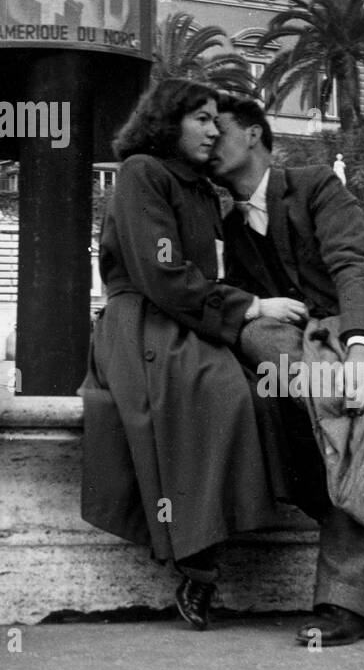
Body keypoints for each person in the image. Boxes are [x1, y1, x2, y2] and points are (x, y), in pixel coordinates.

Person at [210, 97, 364, 648]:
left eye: (216, 130)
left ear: (251, 134)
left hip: (354, 335)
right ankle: (340, 406)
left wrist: (360, 354)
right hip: (289, 346)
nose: (206, 144)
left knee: (351, 413)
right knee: (255, 331)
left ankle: (345, 601)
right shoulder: (226, 224)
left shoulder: (315, 185)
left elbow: (353, 266)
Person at [79, 79, 294, 631]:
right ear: (167, 121)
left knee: (258, 394)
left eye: (216, 121)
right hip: (145, 322)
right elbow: (161, 274)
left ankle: (205, 547)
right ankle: (197, 561)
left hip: (188, 320)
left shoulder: (203, 190)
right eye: (200, 118)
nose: (212, 129)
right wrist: (249, 308)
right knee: (221, 393)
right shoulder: (141, 173)